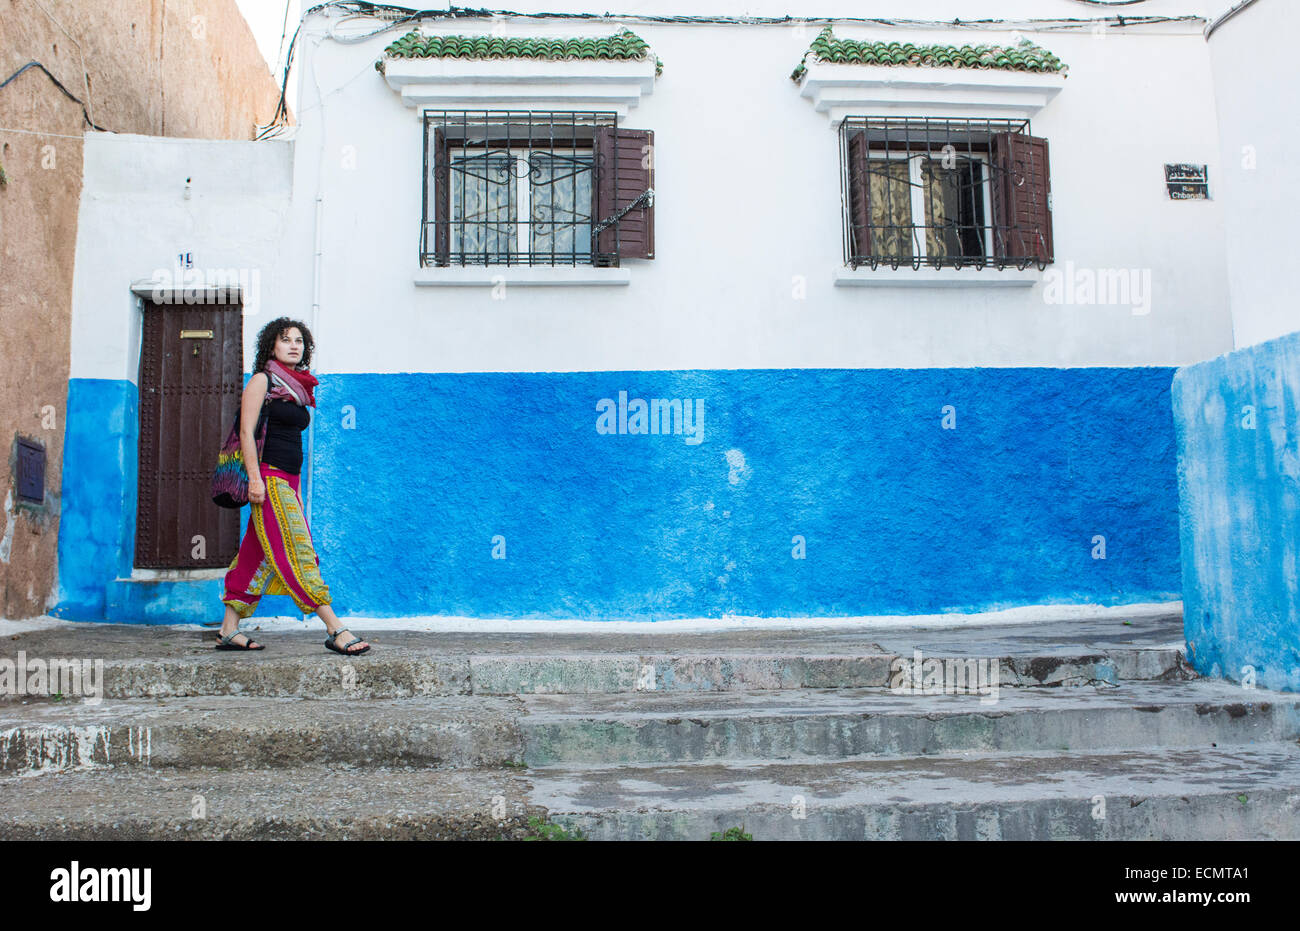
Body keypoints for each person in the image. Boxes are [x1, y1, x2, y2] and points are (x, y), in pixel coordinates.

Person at [215, 317, 370, 656]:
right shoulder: (262, 380)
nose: (294, 345)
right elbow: (246, 433)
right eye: (286, 340)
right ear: (272, 345)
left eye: (299, 340)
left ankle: (228, 630)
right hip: (267, 478)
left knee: (255, 556)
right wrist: (255, 479)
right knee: (297, 551)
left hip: (289, 480)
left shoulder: (298, 388)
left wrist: (295, 489)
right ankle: (335, 628)